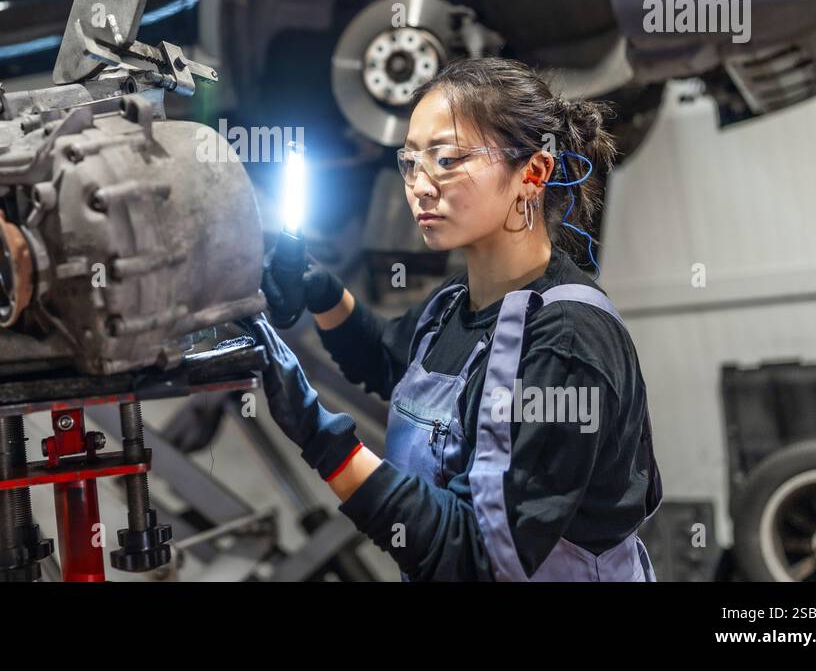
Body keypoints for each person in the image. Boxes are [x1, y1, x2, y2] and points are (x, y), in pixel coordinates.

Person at [251, 56, 662, 581]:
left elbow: (479, 559)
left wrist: (320, 439)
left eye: (446, 160)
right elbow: (386, 359)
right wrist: (322, 291)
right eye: (410, 163)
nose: (420, 185)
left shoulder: (566, 341)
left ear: (532, 173)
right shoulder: (454, 303)